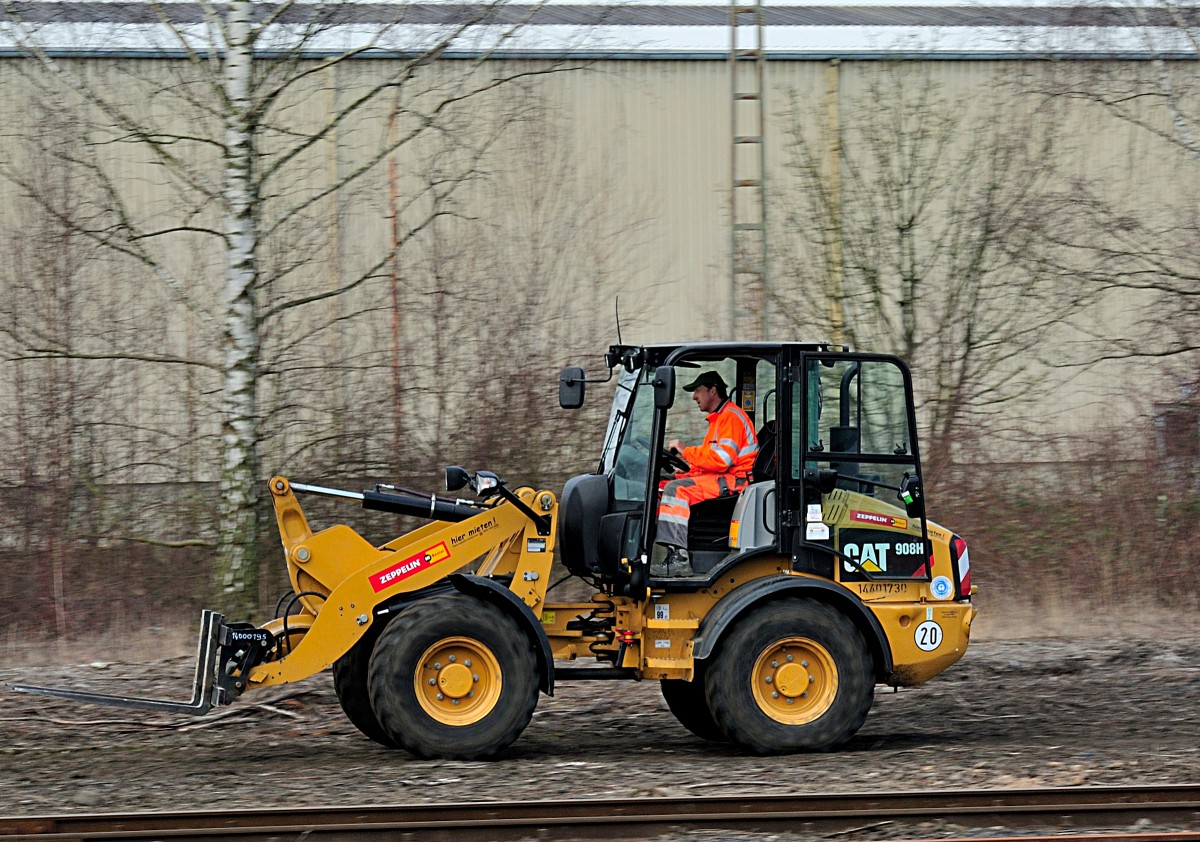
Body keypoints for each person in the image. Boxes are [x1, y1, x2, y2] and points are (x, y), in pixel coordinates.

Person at [652, 371, 758, 577]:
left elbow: (721, 460)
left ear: (712, 391)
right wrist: (684, 472)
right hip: (723, 477)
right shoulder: (719, 419)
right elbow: (710, 462)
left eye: (697, 391)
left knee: (676, 490)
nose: (694, 397)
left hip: (735, 482)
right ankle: (662, 553)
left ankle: (680, 561)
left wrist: (685, 450)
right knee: (663, 485)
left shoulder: (731, 418)